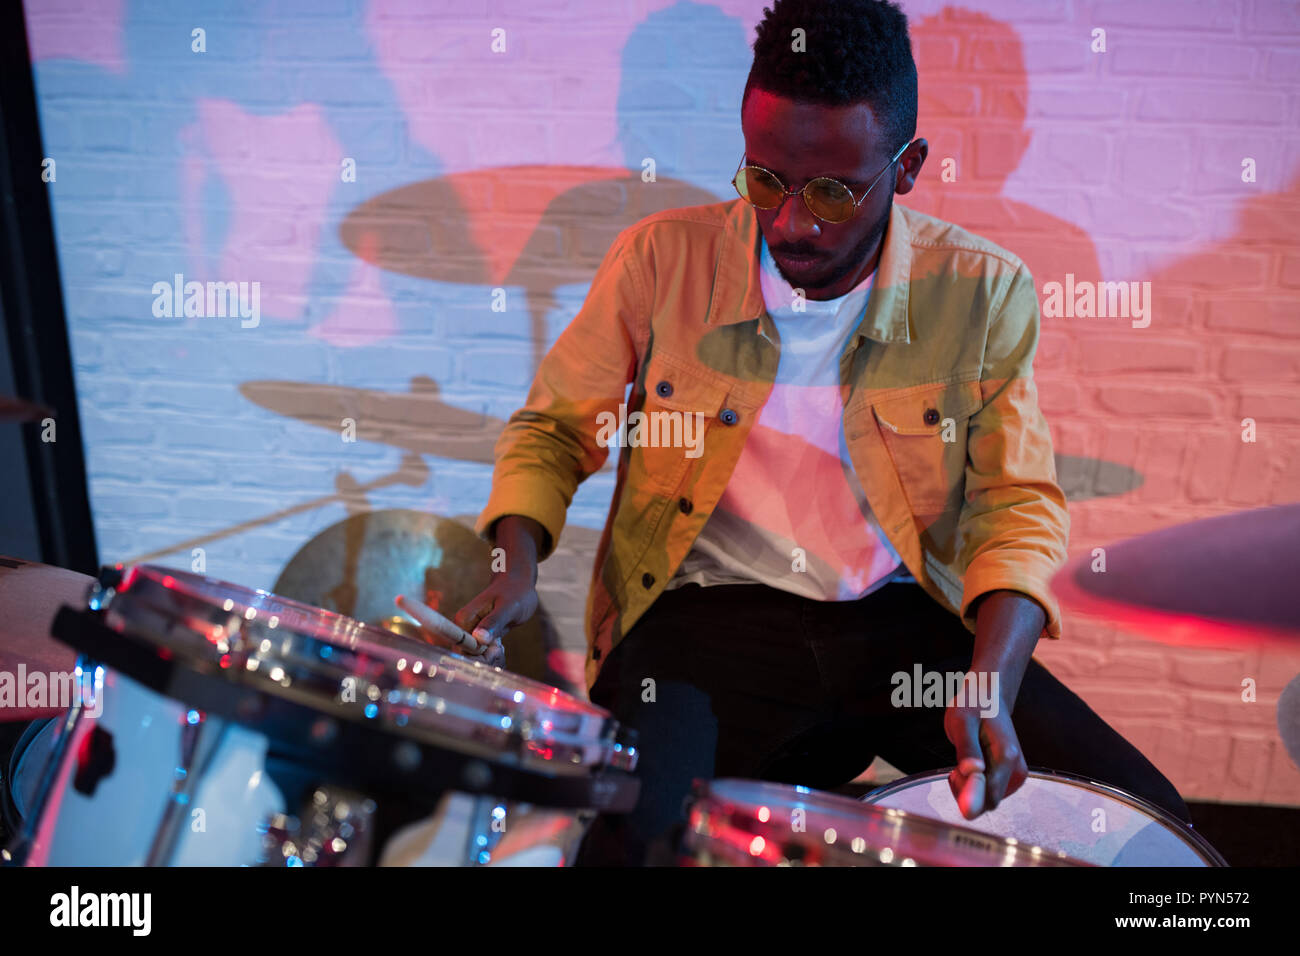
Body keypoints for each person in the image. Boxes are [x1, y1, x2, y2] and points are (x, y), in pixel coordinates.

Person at [430, 0, 1190, 865]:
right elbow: (555, 430)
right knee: (628, 849)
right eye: (763, 181)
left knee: (1152, 840)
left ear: (906, 168)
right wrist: (516, 562)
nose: (790, 222)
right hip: (708, 619)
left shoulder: (981, 291)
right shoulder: (661, 262)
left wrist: (990, 676)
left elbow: (1015, 504)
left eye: (831, 191)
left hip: (903, 625)